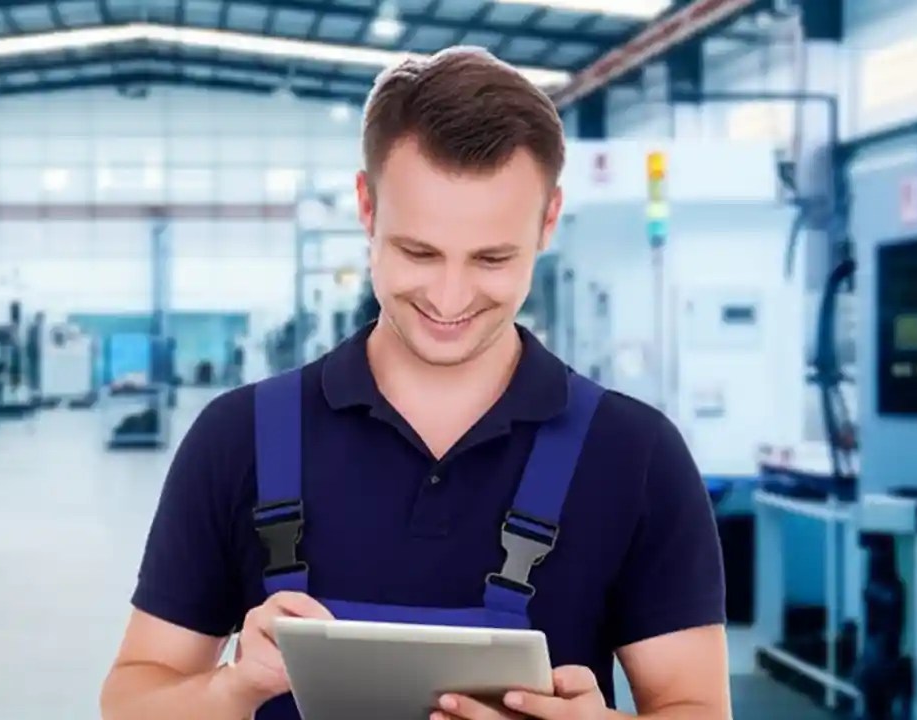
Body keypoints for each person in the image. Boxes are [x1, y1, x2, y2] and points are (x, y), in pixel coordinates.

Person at [101, 46, 730, 720]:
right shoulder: (239, 439)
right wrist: (233, 686)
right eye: (418, 252)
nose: (450, 297)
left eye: (492, 258)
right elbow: (132, 699)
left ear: (548, 222)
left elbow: (697, 707)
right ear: (367, 208)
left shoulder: (635, 455)